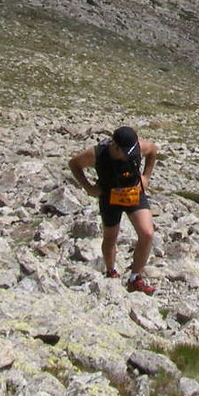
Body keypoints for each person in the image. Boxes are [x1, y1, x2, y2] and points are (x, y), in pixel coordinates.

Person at [68, 126, 158, 294]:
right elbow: (74, 164)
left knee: (147, 233)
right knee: (110, 237)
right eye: (125, 152)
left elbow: (152, 150)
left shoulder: (137, 147)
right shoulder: (97, 154)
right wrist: (88, 188)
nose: (129, 155)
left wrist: (145, 177)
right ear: (115, 146)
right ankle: (111, 272)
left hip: (134, 193)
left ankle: (135, 278)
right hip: (109, 197)